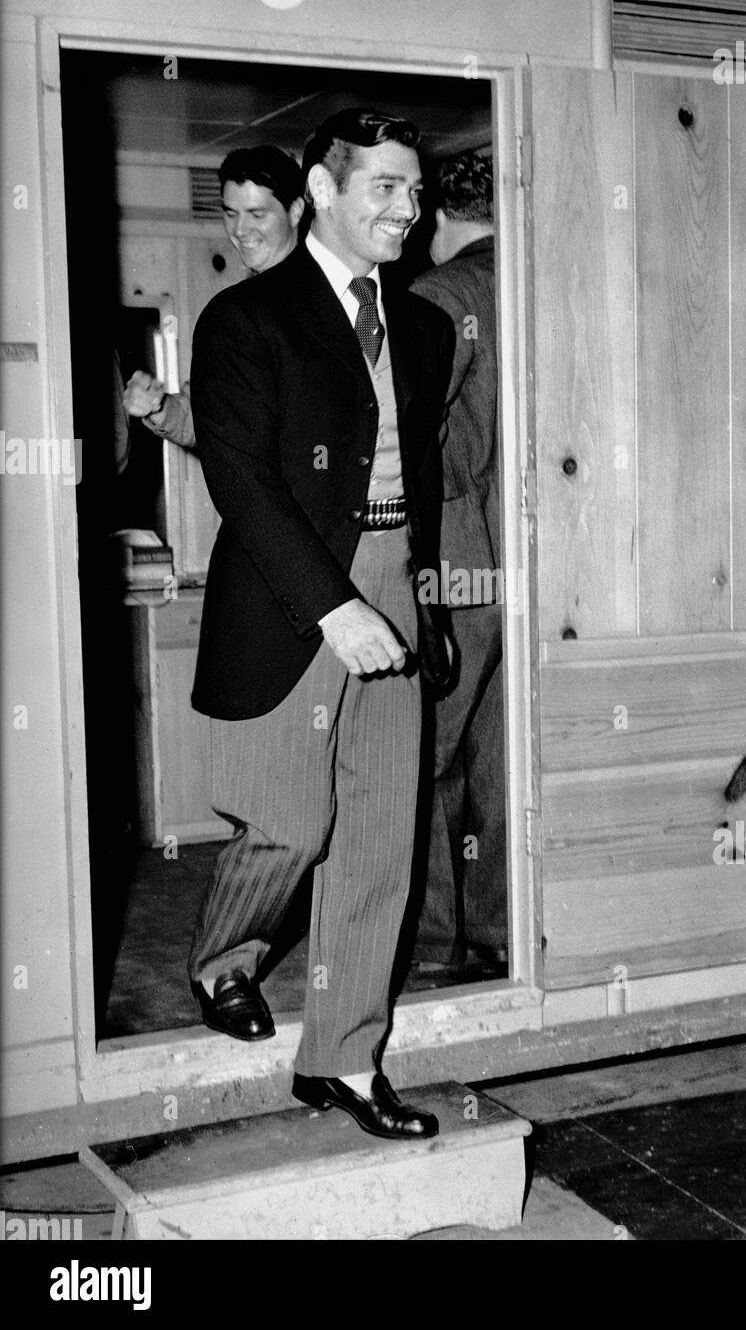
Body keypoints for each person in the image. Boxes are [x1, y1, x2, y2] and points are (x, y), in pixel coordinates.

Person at [186, 108, 455, 1141]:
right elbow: (243, 482)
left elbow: (417, 479)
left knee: (381, 839)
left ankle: (343, 1059)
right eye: (385, 186)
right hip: (291, 587)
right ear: (323, 190)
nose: (407, 208)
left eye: (415, 190)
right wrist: (336, 604)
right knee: (291, 824)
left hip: (392, 578)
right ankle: (223, 958)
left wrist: (419, 598)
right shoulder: (246, 319)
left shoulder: (422, 329)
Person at [408, 152, 506, 972]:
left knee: (423, 755)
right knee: (503, 758)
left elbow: (408, 439)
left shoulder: (438, 294)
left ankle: (436, 942)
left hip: (456, 554)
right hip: (538, 562)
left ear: (438, 217)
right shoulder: (545, 280)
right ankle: (501, 929)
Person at [122, 145, 305, 445]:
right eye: (231, 213)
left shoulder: (331, 293)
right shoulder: (240, 310)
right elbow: (214, 417)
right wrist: (159, 406)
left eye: (257, 214)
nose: (240, 229)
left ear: (295, 211)